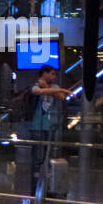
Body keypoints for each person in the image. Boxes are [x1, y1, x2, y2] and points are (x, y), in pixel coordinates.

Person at [28, 65, 75, 194]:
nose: (54, 77)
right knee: (37, 158)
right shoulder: (35, 86)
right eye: (52, 74)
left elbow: (61, 97)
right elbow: (37, 92)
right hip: (37, 126)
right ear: (44, 73)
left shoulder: (54, 87)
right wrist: (61, 90)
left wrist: (48, 88)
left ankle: (48, 186)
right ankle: (35, 187)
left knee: (50, 156)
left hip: (51, 127)